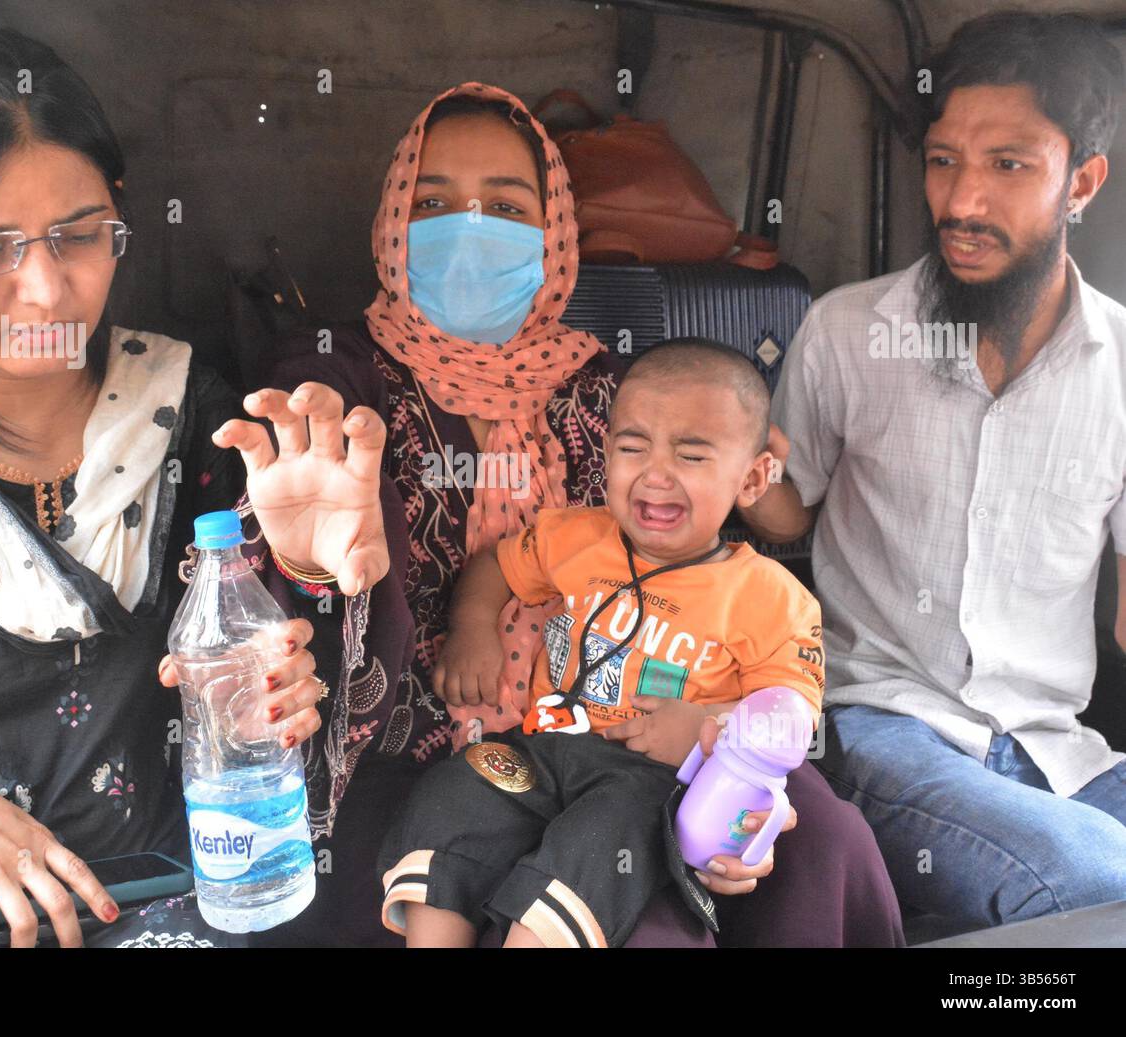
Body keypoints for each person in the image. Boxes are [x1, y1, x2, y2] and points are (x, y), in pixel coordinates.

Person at [217, 83, 904, 946]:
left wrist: (727, 748)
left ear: (553, 233)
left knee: (818, 836)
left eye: (505, 206)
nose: (469, 227)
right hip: (416, 730)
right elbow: (279, 555)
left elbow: (756, 532)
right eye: (433, 203)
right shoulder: (338, 375)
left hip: (641, 722)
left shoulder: (612, 387)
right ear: (392, 223)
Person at [0, 23, 323, 948]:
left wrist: (306, 615)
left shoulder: (189, 414)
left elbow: (266, 689)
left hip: (155, 906)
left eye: (78, 236)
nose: (47, 292)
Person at [740, 12, 1126, 930]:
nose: (960, 202)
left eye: (1008, 165)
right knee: (1100, 885)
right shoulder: (845, 331)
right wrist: (751, 486)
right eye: (943, 159)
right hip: (881, 729)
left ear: (1083, 181)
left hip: (1061, 749)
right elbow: (794, 519)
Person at [377, 339, 827, 948]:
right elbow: (496, 567)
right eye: (631, 447)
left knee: (603, 838)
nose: (655, 475)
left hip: (652, 779)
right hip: (543, 748)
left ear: (749, 478)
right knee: (458, 787)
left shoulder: (773, 597)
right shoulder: (574, 537)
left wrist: (709, 725)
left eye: (691, 456)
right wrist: (473, 628)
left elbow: (791, 717)